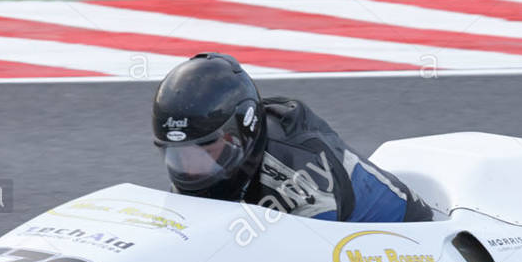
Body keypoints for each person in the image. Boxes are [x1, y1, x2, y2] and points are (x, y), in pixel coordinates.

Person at [152, 53, 434, 222]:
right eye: (177, 157)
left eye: (204, 154)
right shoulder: (199, 165)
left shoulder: (299, 178)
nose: (190, 169)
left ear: (243, 133)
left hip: (405, 246)